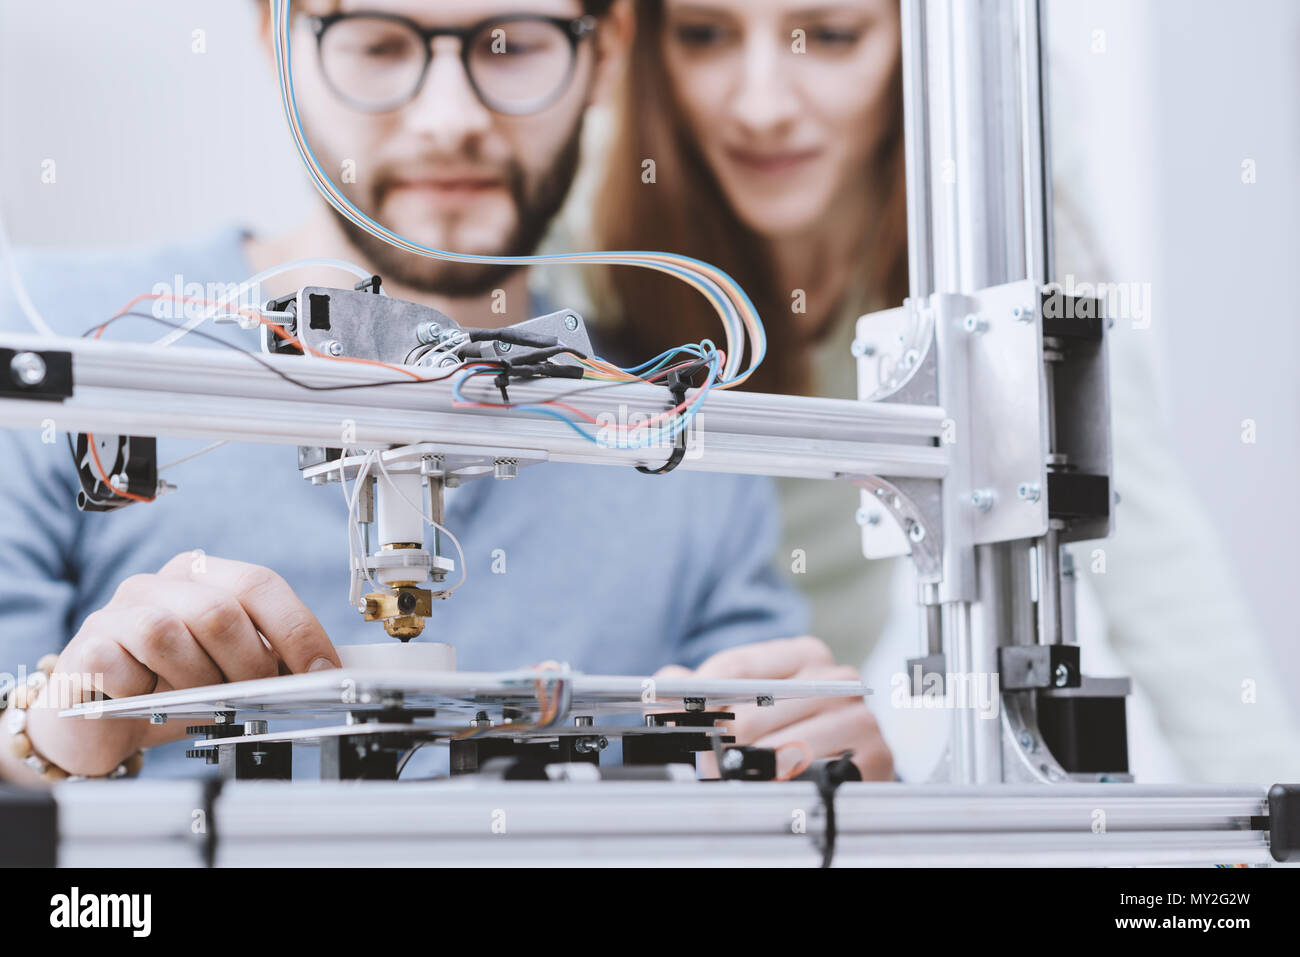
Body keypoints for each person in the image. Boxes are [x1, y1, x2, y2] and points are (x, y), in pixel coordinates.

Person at [0, 0, 893, 785]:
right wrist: (50, 732)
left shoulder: (668, 423)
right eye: (379, 43)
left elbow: (774, 765)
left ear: (606, 46)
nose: (450, 118)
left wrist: (824, 766)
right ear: (275, 34)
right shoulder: (52, 337)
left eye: (511, 46)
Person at [587, 0, 1300, 783]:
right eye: (704, 34)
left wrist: (1271, 813)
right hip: (586, 701)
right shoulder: (576, 201)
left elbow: (1143, 531)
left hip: (789, 727)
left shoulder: (999, 177)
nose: (761, 107)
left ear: (921, 40)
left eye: (829, 36)